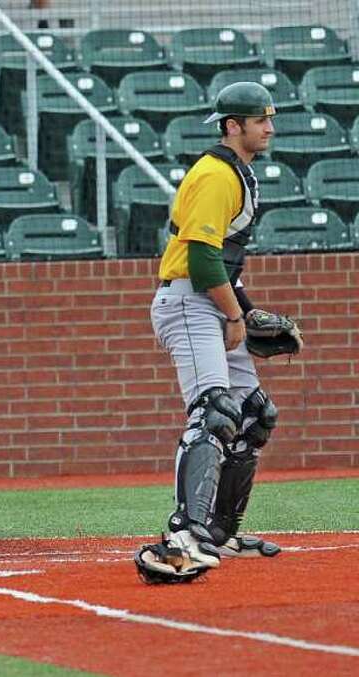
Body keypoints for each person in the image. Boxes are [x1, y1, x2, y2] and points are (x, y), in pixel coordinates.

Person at [135, 82, 289, 584]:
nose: (269, 127)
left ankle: (219, 534)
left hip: (211, 302)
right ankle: (182, 538)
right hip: (189, 303)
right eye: (259, 119)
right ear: (232, 126)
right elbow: (201, 260)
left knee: (253, 414)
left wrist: (244, 308)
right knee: (213, 411)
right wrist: (237, 317)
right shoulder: (217, 174)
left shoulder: (236, 172)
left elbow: (222, 260)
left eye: (269, 118)